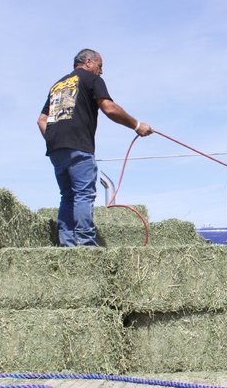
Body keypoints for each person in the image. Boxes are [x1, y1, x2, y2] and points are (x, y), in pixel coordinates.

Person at [38, 49, 154, 247]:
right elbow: (109, 107)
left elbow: (41, 119)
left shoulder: (57, 85)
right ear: (89, 62)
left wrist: (52, 139)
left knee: (67, 195)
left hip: (57, 149)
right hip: (78, 146)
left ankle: (67, 244)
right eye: (100, 66)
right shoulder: (90, 78)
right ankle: (85, 244)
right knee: (83, 193)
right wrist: (137, 125)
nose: (101, 72)